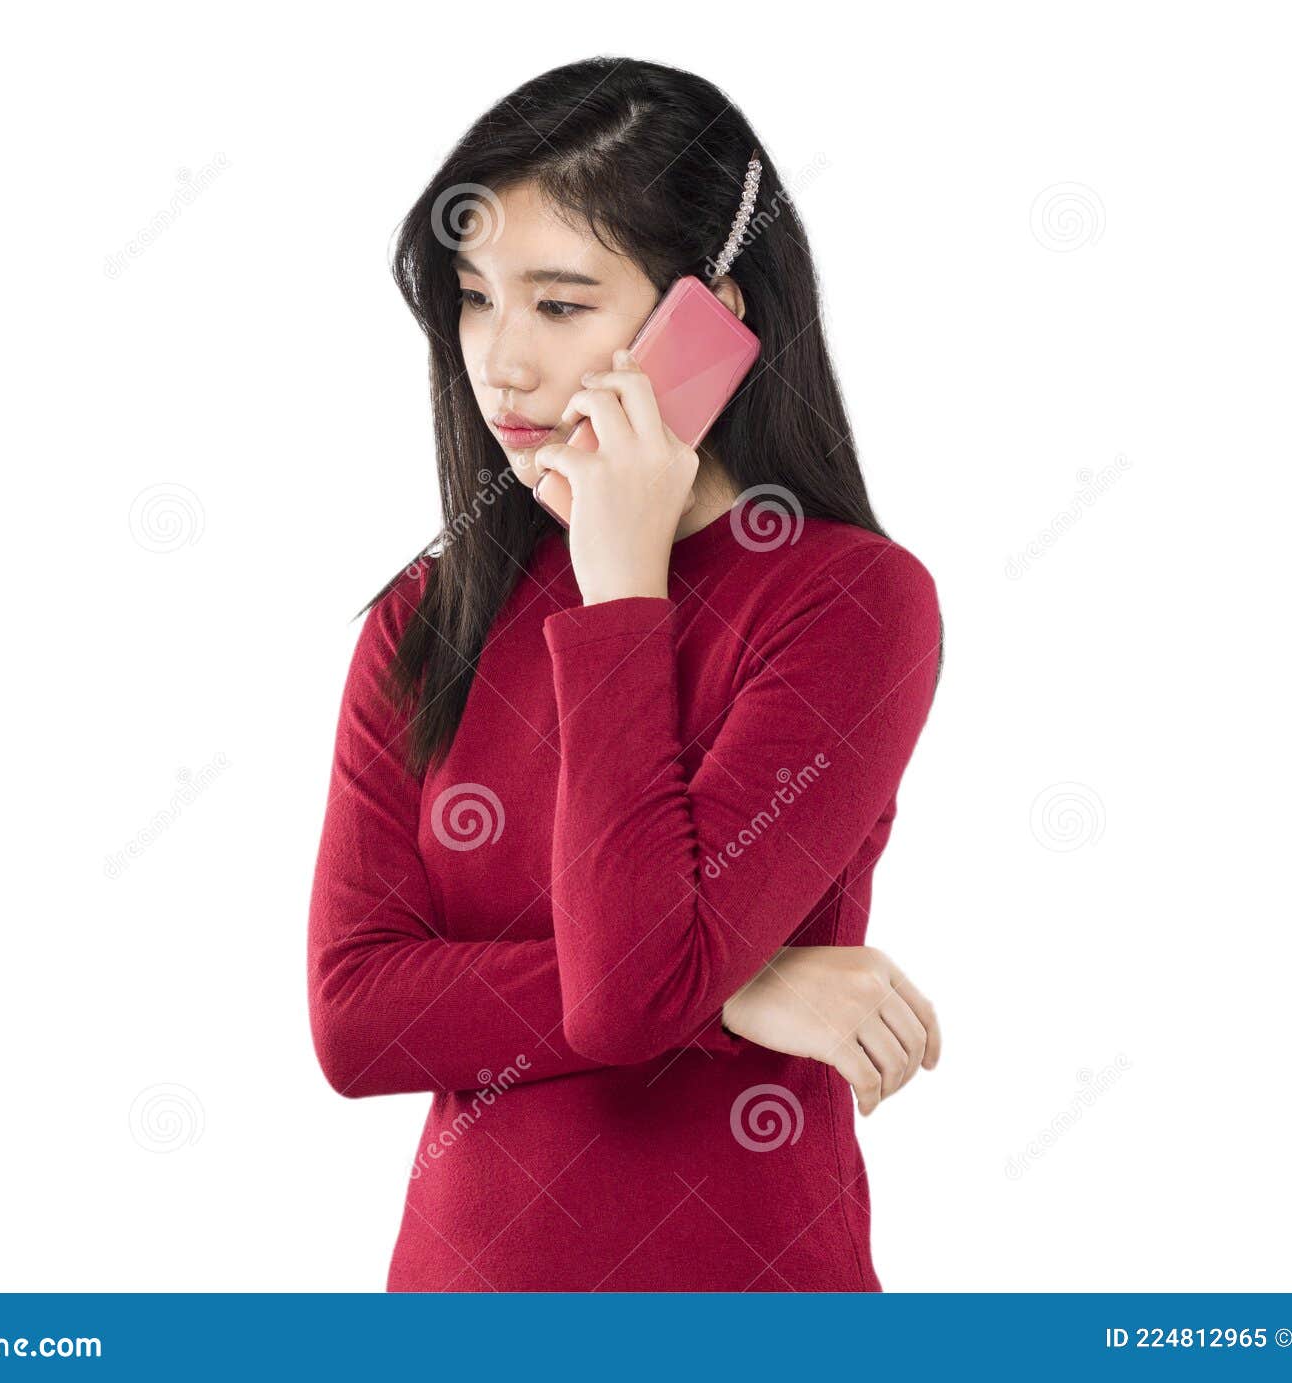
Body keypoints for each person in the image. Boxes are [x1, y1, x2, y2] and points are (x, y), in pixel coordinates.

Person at [308, 56, 946, 1292]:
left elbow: (629, 997)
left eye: (559, 305)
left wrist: (624, 590)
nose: (499, 364)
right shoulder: (423, 618)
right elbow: (357, 1017)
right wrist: (741, 988)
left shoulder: (851, 604)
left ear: (708, 318)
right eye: (474, 297)